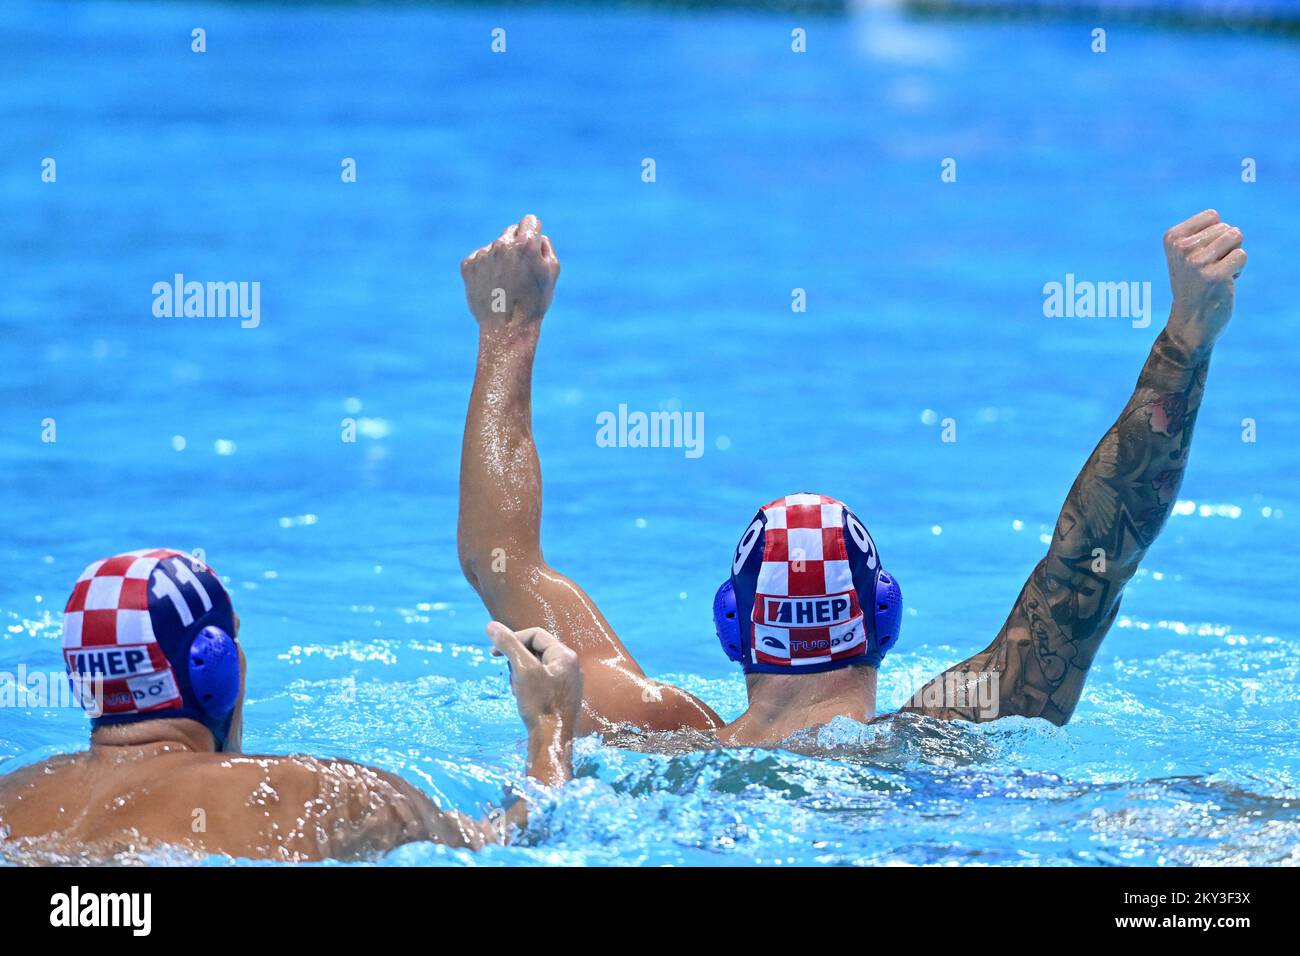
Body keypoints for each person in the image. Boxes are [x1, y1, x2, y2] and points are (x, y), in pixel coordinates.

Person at [457, 211, 1247, 745]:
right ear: (887, 616)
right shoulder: (941, 740)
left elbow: (502, 559)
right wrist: (1188, 336)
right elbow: (1095, 551)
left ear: (732, 625)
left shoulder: (658, 738)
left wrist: (508, 328)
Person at [0, 549, 580, 861]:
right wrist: (550, 727)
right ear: (214, 665)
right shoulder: (311, 792)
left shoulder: (12, 801)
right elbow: (510, 843)